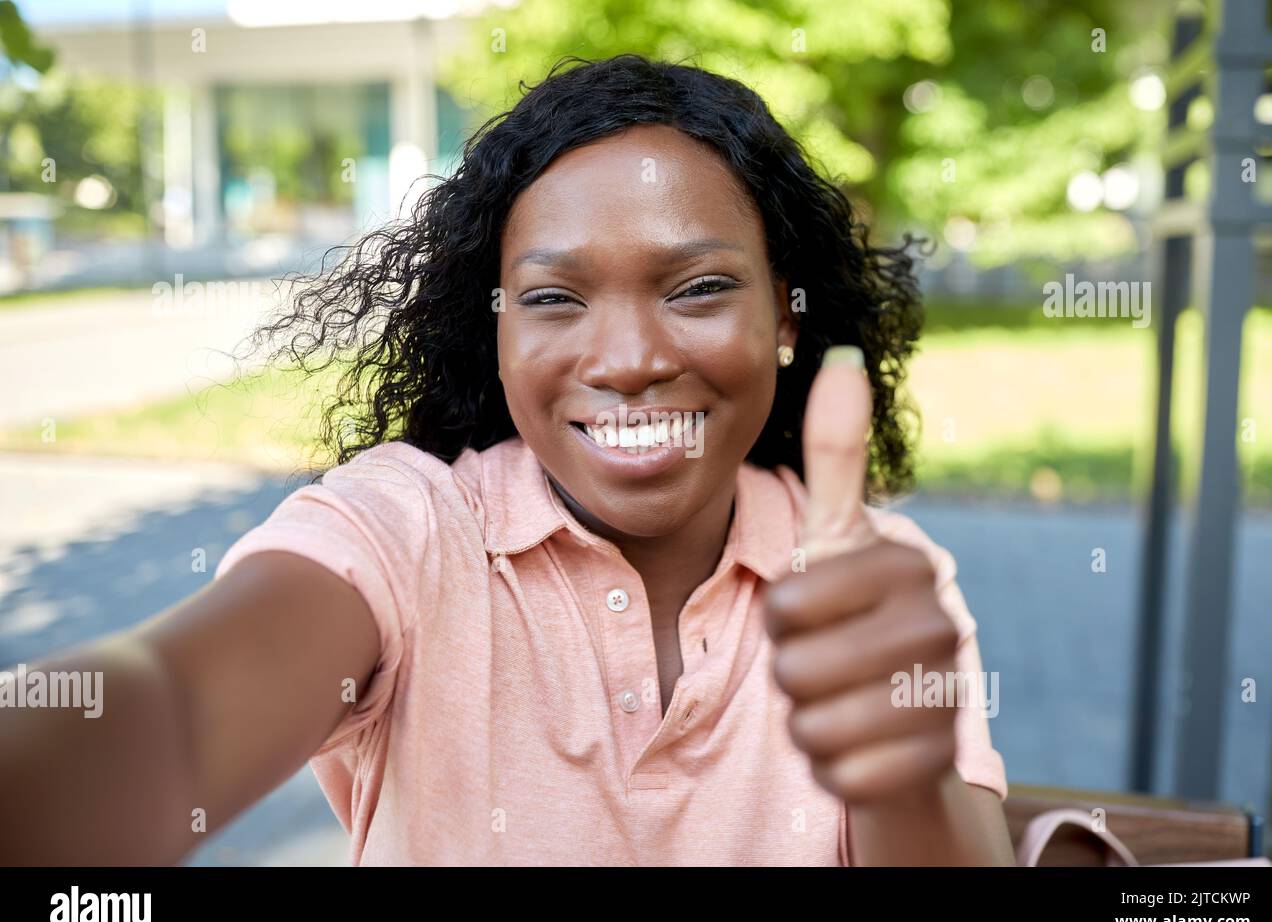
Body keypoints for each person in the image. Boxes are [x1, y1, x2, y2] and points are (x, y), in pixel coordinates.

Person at [0, 55, 1012, 866]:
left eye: (698, 286)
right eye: (553, 298)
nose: (627, 360)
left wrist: (903, 773)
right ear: (493, 331)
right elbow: (170, 710)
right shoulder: (407, 532)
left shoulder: (884, 583)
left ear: (785, 315)